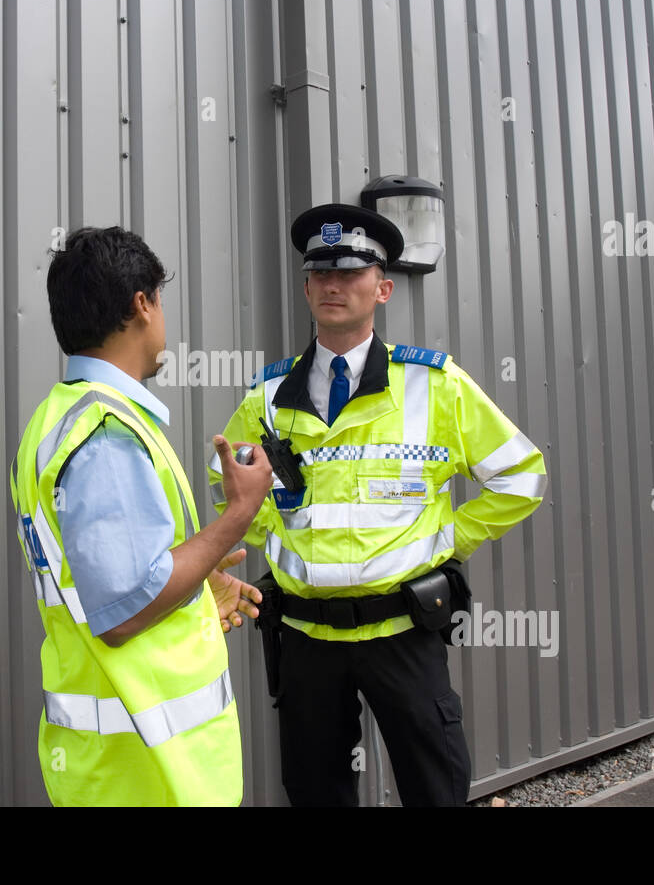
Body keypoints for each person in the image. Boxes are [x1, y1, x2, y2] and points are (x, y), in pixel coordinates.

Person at [208, 202, 548, 806]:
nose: (332, 285)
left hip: (401, 633)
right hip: (306, 638)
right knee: (316, 792)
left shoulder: (434, 385)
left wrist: (449, 539)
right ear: (306, 285)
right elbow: (230, 487)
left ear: (383, 287)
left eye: (351, 271)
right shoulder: (266, 397)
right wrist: (266, 535)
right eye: (320, 273)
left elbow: (521, 476)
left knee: (435, 789)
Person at [9, 225, 274, 806]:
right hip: (150, 775)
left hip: (121, 766)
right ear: (142, 304)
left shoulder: (60, 419)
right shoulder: (105, 434)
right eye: (161, 300)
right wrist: (238, 515)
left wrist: (196, 585)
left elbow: (108, 580)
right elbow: (124, 608)